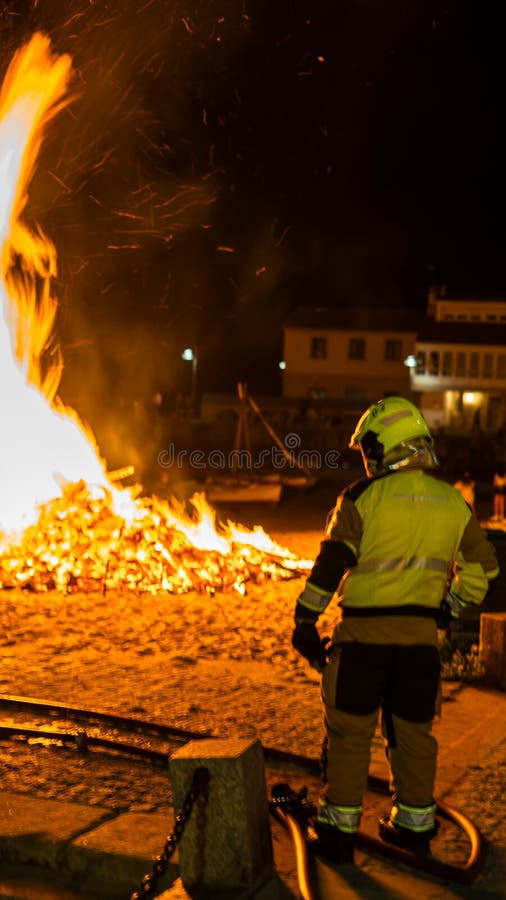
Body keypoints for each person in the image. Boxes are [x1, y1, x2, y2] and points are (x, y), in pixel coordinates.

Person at [291, 396, 499, 864]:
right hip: (419, 645)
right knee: (414, 736)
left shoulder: (362, 498)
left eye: (369, 449)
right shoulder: (454, 504)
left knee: (349, 736)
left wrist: (305, 619)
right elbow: (483, 573)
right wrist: (449, 607)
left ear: (386, 447)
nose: (366, 459)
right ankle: (413, 826)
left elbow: (332, 562)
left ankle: (339, 832)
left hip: (362, 641)